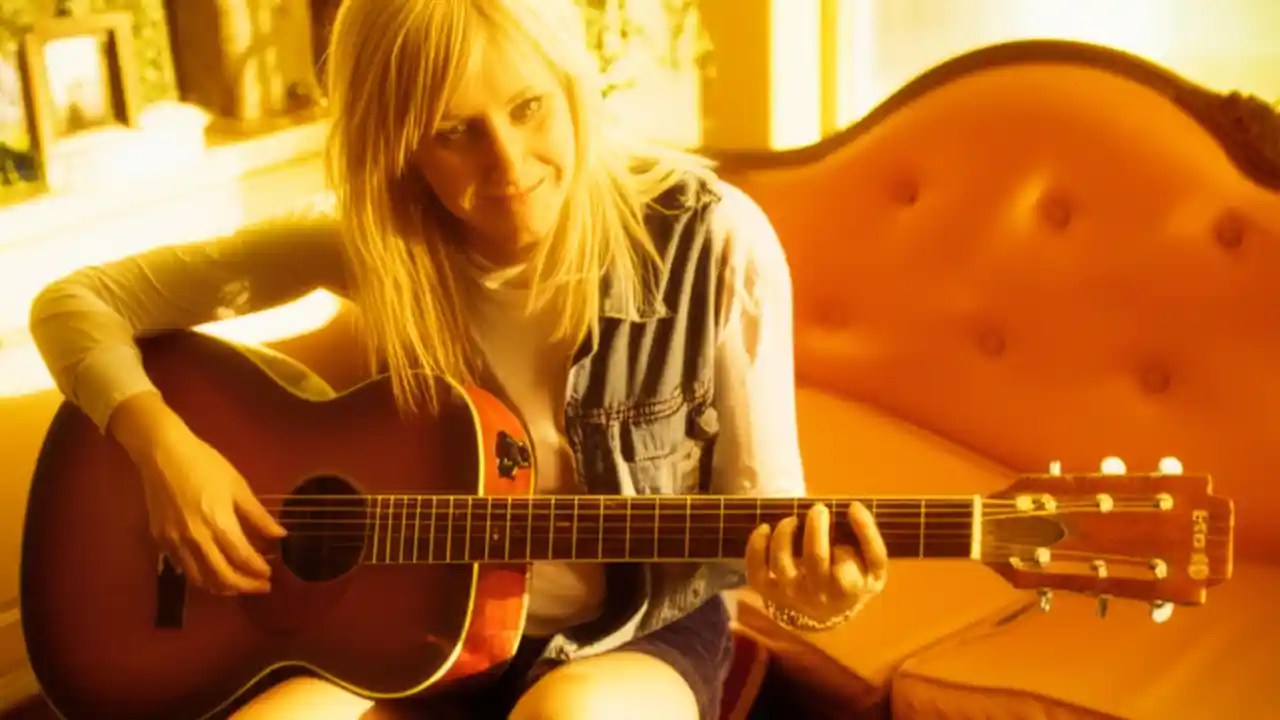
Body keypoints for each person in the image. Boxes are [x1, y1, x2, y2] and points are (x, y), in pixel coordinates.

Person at [28, 1, 890, 718]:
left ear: (572, 86)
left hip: (633, 634)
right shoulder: (380, 244)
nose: (508, 165)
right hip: (408, 619)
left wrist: (813, 597)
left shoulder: (713, 241)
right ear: (399, 146)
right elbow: (74, 305)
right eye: (453, 132)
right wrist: (166, 455)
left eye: (529, 107)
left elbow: (773, 529)